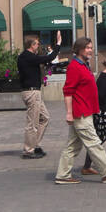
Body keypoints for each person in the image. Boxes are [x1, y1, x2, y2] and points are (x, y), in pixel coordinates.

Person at [54, 37, 106, 185]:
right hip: (80, 112)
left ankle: (62, 175)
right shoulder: (74, 66)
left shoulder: (84, 65)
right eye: (87, 48)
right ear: (79, 49)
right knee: (93, 143)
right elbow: (68, 91)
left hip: (86, 110)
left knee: (73, 145)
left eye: (91, 47)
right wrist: (69, 112)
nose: (90, 50)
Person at [18, 30, 61, 159]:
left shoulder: (28, 57)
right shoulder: (27, 56)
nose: (38, 46)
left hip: (33, 91)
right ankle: (28, 150)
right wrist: (58, 44)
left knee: (45, 117)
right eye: (37, 44)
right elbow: (49, 57)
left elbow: (42, 61)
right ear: (31, 45)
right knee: (32, 123)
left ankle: (35, 144)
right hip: (31, 92)